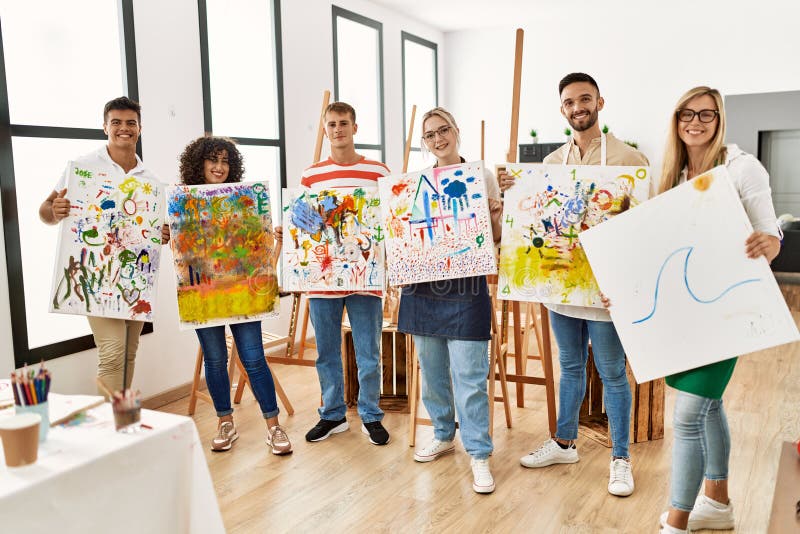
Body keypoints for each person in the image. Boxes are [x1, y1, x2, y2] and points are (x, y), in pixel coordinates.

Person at [504, 73, 648, 497]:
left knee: (611, 373)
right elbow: (536, 219)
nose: (577, 107)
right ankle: (565, 441)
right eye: (569, 102)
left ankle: (620, 457)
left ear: (600, 103)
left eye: (584, 99)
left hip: (604, 288)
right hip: (561, 282)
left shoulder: (629, 159)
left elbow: (638, 229)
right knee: (568, 365)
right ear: (562, 109)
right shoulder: (550, 164)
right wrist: (516, 190)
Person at [652, 87, 780, 533]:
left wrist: (772, 242)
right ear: (676, 119)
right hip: (685, 311)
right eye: (687, 113)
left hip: (725, 310)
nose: (696, 122)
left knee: (687, 414)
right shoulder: (671, 173)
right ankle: (718, 504)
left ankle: (676, 522)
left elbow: (770, 235)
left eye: (706, 114)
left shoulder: (743, 168)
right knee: (709, 406)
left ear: (719, 118)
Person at [398, 106, 503, 494]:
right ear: (424, 142)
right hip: (423, 288)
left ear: (456, 132)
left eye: (444, 130)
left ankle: (478, 452)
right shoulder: (414, 182)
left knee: (470, 377)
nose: (438, 138)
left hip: (468, 286)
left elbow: (494, 236)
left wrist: (495, 214)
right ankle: (443, 433)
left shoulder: (481, 177)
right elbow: (406, 234)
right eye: (430, 134)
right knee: (434, 371)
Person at [39, 96, 169, 396]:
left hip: (134, 278)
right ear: (105, 127)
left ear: (139, 128)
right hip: (95, 276)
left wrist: (161, 233)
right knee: (112, 353)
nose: (124, 128)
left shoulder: (150, 180)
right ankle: (109, 430)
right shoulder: (83, 168)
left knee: (129, 352)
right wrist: (54, 210)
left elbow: (152, 230)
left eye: (130, 123)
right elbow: (45, 211)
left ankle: (119, 423)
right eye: (117, 123)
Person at [176, 135, 292, 455]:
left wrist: (272, 234)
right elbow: (179, 247)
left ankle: (274, 426)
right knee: (215, 360)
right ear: (199, 163)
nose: (219, 166)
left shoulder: (243, 199)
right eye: (213, 160)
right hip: (202, 295)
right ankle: (225, 423)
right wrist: (167, 233)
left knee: (254, 359)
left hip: (243, 293)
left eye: (225, 161)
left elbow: (253, 244)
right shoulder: (184, 201)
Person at [301, 101, 390, 446]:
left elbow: (388, 219)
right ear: (325, 131)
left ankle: (370, 414)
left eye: (343, 123)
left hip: (365, 275)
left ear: (355, 127)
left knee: (368, 350)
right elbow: (307, 224)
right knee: (325, 351)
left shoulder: (378, 172)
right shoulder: (311, 176)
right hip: (323, 278)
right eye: (332, 125)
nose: (338, 130)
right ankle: (333, 414)